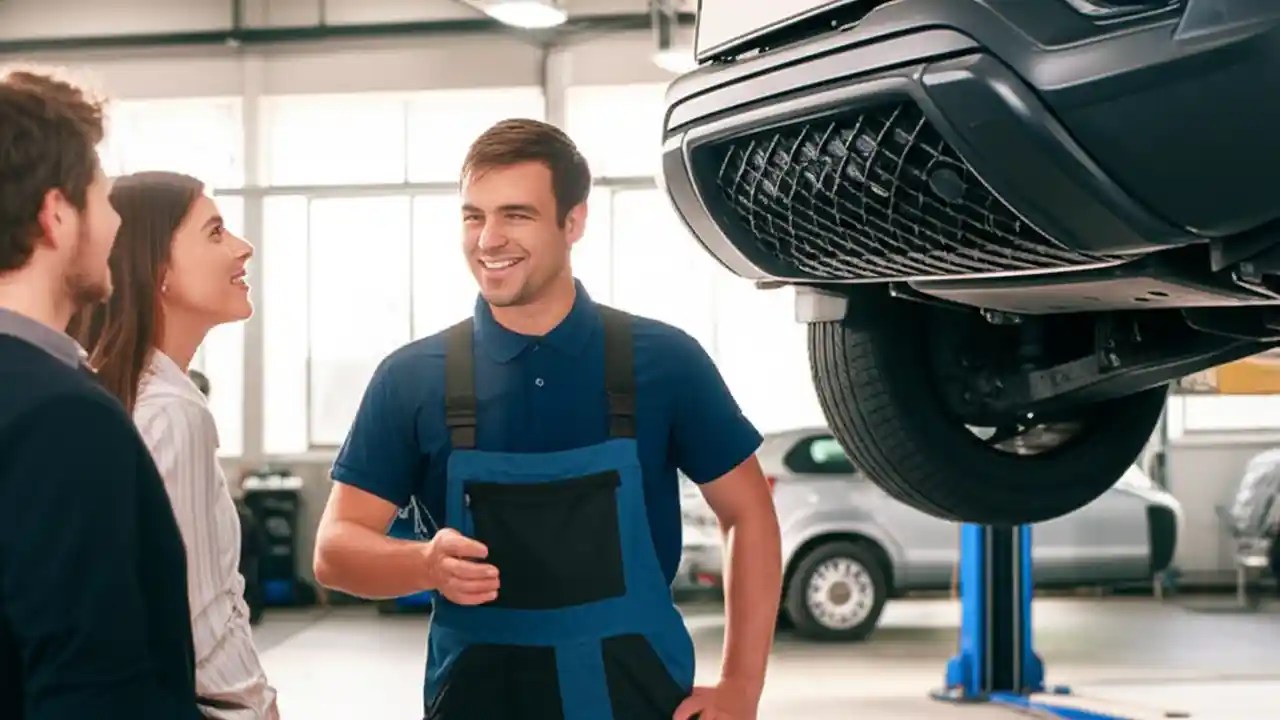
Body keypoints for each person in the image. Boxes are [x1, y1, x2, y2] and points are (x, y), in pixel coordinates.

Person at [314, 118, 783, 720]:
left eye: (516, 215)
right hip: (478, 701)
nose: (488, 239)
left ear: (574, 222)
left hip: (637, 699)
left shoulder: (664, 361)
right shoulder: (412, 377)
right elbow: (334, 550)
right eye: (473, 216)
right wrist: (423, 562)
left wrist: (742, 685)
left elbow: (748, 513)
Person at [0, 67, 202, 718]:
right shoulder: (62, 417)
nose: (115, 224)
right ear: (56, 214)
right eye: (104, 198)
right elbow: (92, 686)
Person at [70, 171, 279, 720]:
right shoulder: (170, 412)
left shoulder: (108, 392)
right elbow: (195, 614)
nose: (243, 247)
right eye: (215, 232)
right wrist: (253, 706)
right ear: (157, 269)